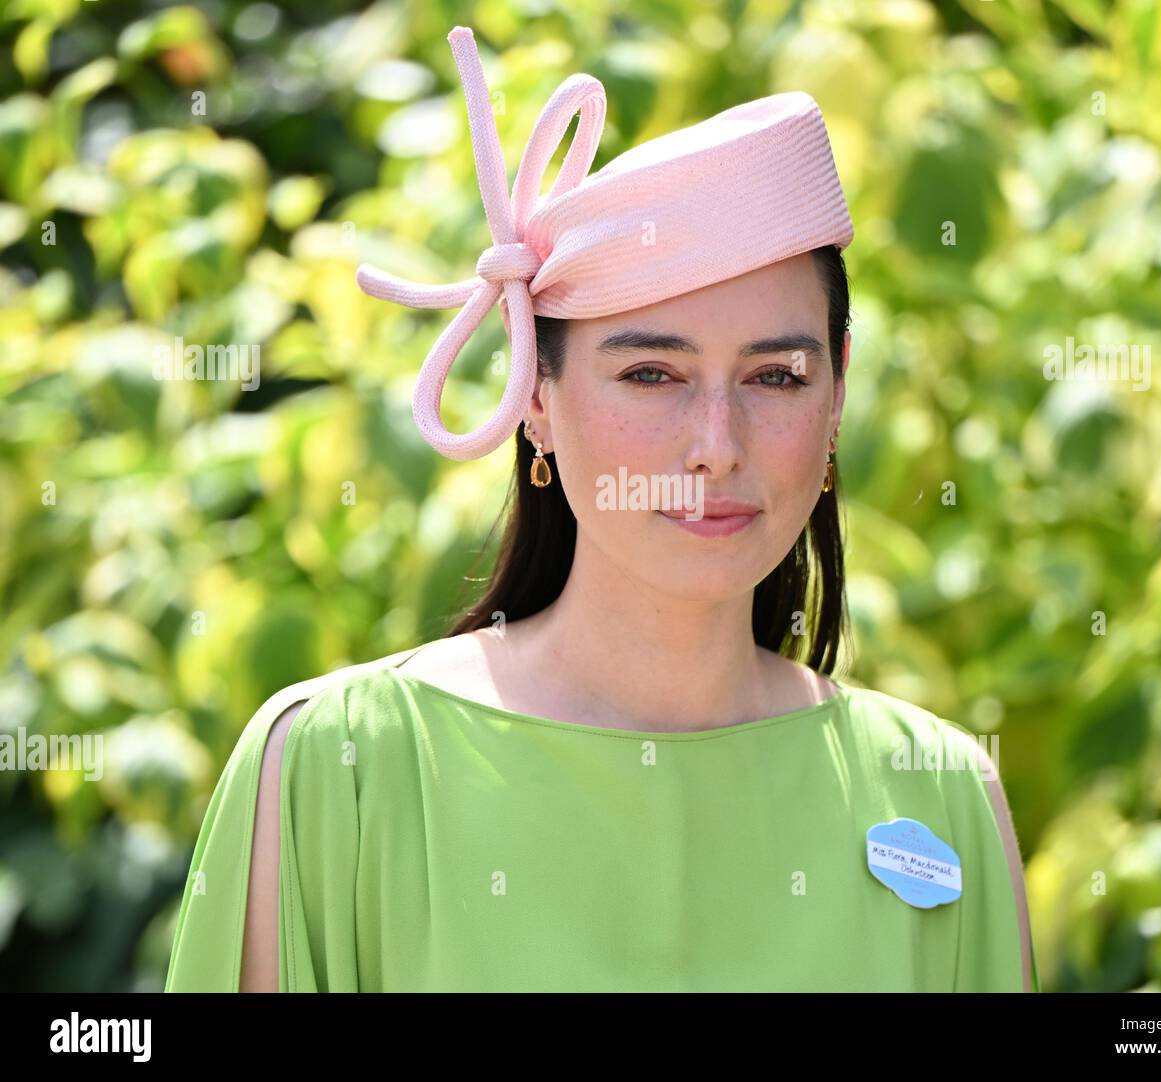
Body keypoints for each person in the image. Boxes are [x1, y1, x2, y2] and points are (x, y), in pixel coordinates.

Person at [164, 25, 1037, 993]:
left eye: (776, 375)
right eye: (653, 372)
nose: (717, 441)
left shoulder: (942, 799)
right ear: (536, 398)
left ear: (834, 403)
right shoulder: (342, 771)